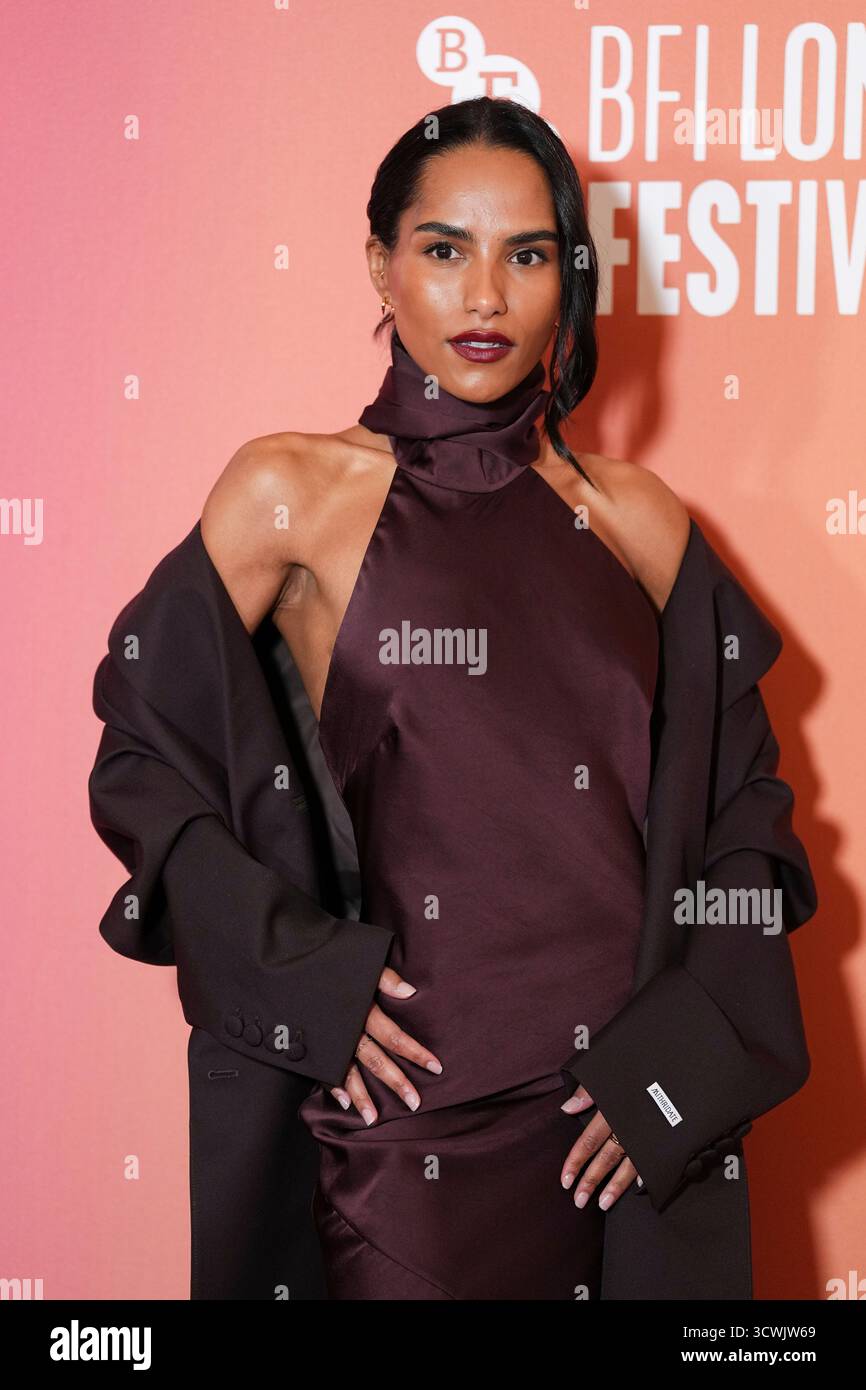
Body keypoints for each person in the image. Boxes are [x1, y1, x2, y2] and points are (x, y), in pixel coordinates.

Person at [89, 96, 817, 1300]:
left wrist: (675, 1073)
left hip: (618, 1134)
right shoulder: (291, 490)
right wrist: (296, 974)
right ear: (378, 261)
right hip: (402, 1135)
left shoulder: (638, 519)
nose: (486, 297)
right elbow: (144, 756)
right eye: (444, 249)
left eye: (526, 254)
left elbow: (743, 817)